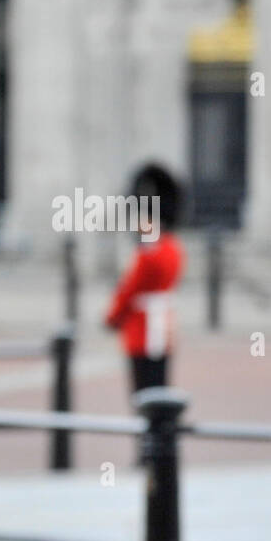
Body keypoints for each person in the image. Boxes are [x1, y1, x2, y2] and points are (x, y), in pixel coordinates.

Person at [105, 163, 186, 393]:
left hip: (143, 330)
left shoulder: (150, 253)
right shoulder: (172, 247)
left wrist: (113, 316)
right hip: (164, 327)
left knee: (144, 391)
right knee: (159, 386)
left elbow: (130, 288)